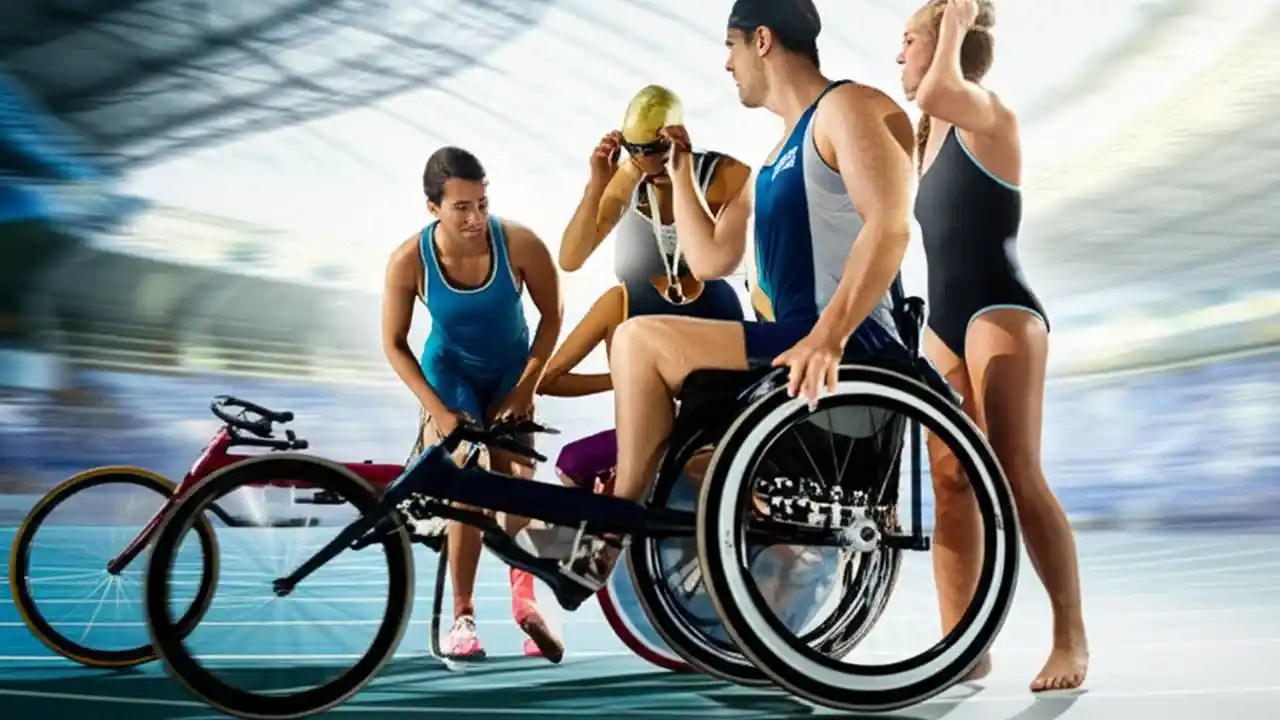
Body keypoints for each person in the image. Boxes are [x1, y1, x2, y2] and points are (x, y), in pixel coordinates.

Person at [567, 0, 919, 591]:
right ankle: (625, 517)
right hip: (794, 342)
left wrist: (828, 337)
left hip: (843, 343)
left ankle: (614, 524)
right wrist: (680, 174)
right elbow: (709, 261)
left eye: (729, 48)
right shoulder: (776, 157)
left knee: (638, 339)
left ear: (761, 40)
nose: (726, 66)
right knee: (639, 345)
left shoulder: (847, 107)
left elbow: (890, 225)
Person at [897, 0, 1088, 692]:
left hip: (1001, 311)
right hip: (945, 321)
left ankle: (1071, 637)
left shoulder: (988, 113)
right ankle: (964, 645)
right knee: (949, 483)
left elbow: (941, 86)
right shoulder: (924, 136)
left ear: (948, 42)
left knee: (1015, 473)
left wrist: (953, 20)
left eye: (908, 40)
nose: (900, 56)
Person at [381, 146, 565, 663]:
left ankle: (525, 605)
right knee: (467, 482)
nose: (475, 218)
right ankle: (462, 617)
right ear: (432, 207)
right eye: (461, 207)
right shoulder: (408, 261)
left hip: (510, 372)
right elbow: (394, 342)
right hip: (450, 375)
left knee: (516, 486)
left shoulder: (521, 243)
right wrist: (437, 410)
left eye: (482, 204)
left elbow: (552, 316)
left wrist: (526, 387)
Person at [559, 84, 750, 325]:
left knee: (621, 301)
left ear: (671, 141)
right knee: (617, 301)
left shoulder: (724, 174)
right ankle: (551, 366)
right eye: (632, 149)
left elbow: (710, 266)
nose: (640, 160)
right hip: (650, 313)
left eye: (649, 150)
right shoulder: (631, 176)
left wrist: (682, 175)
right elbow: (570, 260)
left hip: (714, 306)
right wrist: (595, 188)